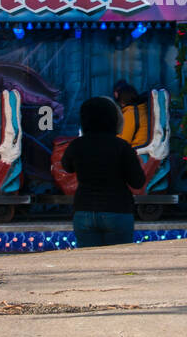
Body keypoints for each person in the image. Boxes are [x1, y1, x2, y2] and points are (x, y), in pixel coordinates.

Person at [61, 96, 144, 248]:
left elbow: (67, 167)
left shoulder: (77, 145)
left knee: (89, 264)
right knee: (118, 264)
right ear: (113, 119)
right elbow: (137, 182)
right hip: (117, 210)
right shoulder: (122, 146)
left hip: (84, 210)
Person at [113, 80, 151, 149]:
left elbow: (122, 141)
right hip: (143, 148)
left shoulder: (130, 113)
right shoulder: (141, 108)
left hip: (136, 151)